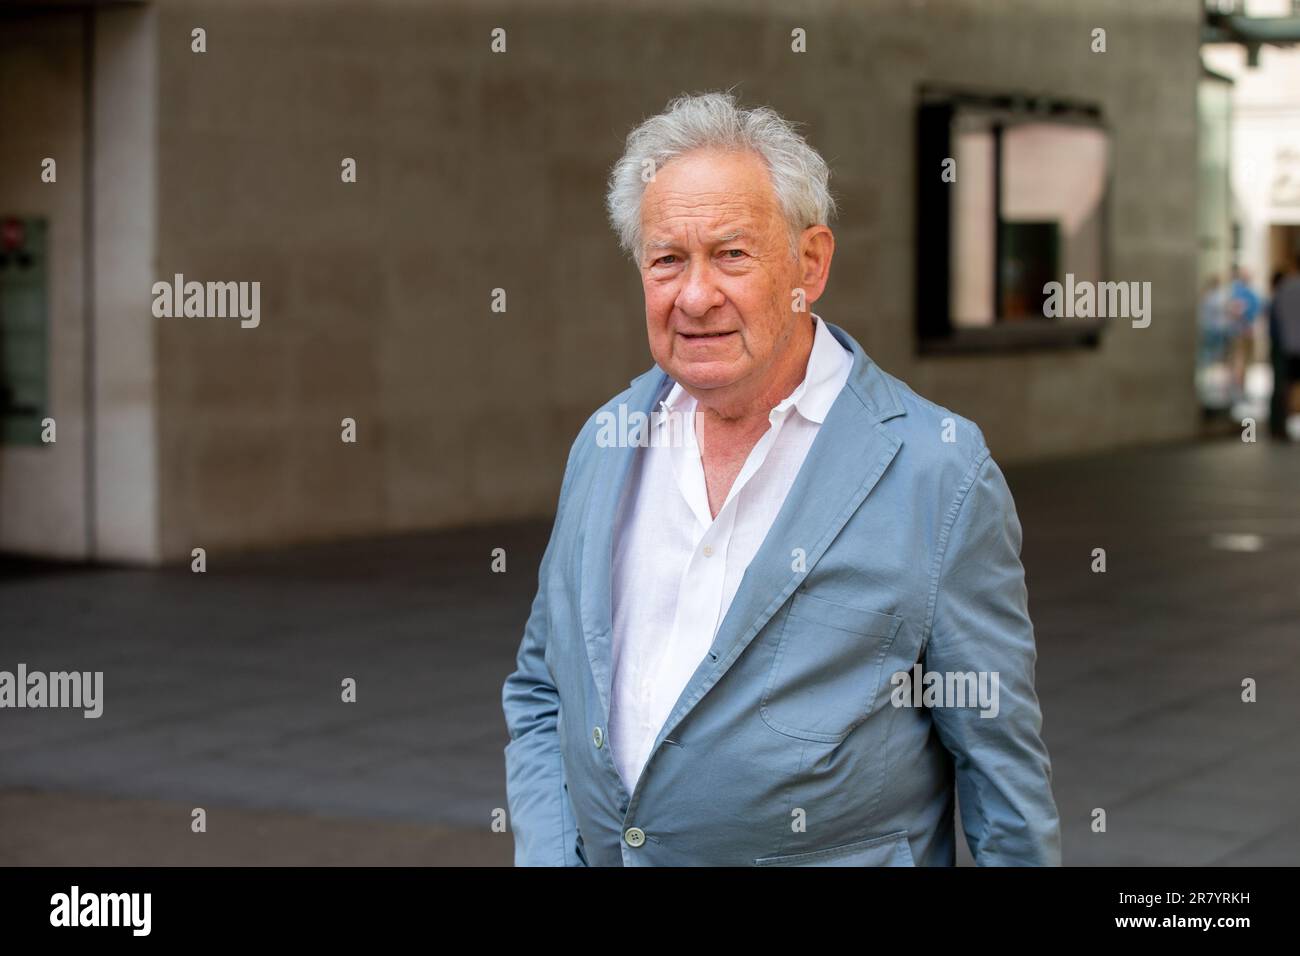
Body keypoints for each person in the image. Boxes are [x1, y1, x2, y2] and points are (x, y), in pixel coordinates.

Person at [501, 91, 1061, 866]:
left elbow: (1000, 770)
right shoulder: (607, 441)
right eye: (668, 259)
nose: (694, 296)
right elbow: (542, 691)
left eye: (731, 254)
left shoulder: (938, 468)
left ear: (811, 263)